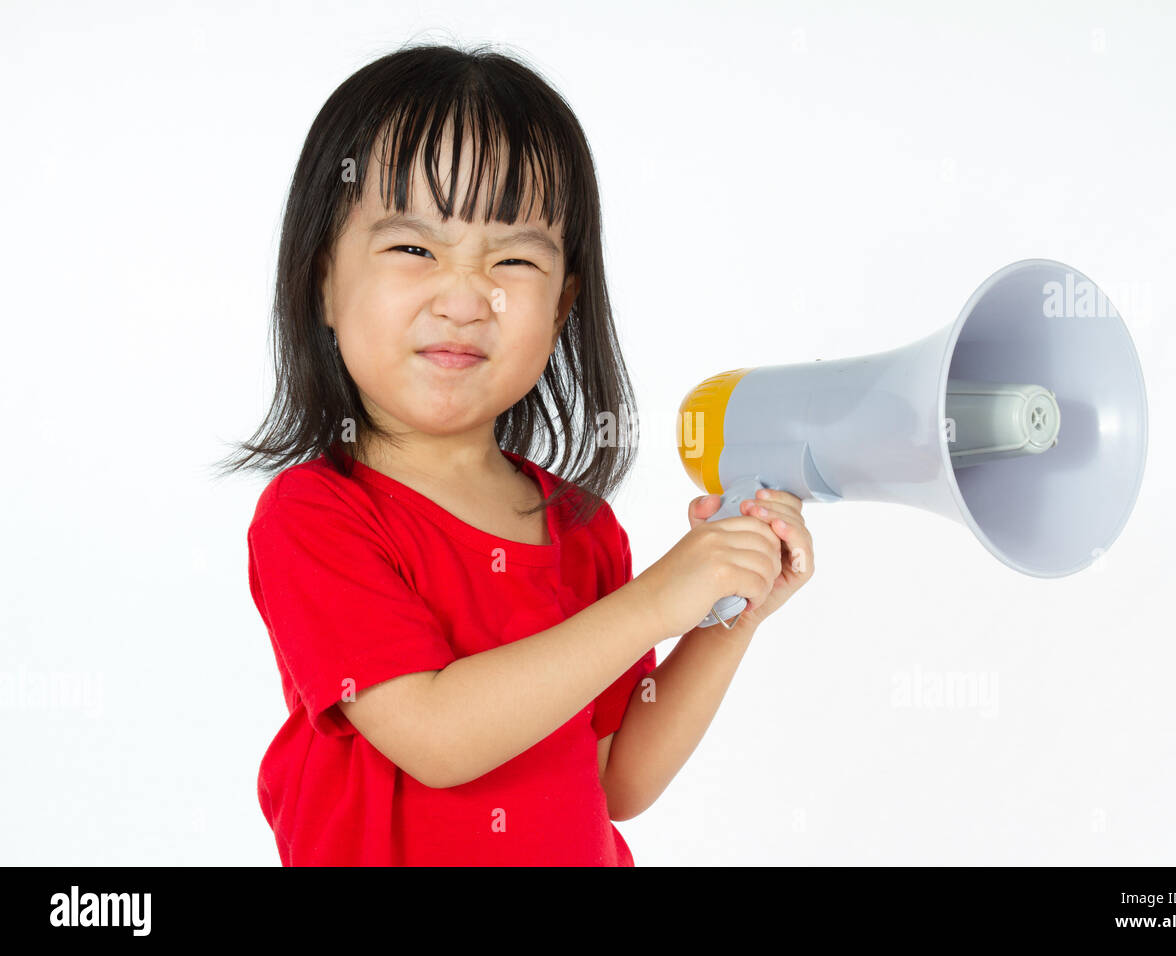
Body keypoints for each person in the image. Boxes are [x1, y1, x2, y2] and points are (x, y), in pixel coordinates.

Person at [214, 41, 814, 865]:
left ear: (564, 300)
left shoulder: (583, 528)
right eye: (414, 249)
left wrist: (727, 613)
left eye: (515, 259)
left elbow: (619, 779)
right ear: (323, 278)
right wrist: (659, 598)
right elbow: (437, 735)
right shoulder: (315, 516)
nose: (466, 298)